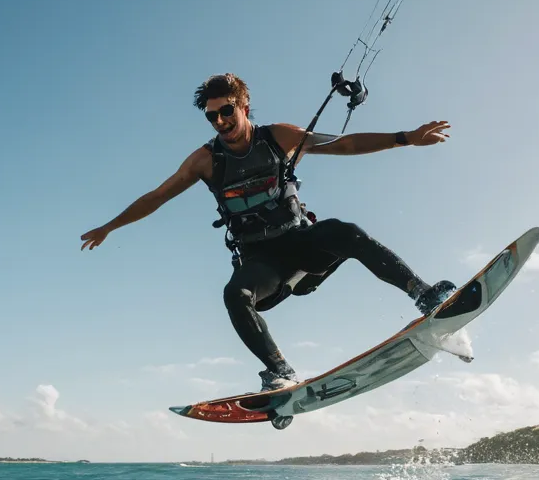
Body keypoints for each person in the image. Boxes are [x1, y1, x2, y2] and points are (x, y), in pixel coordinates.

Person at [80, 73, 455, 392]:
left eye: (227, 111)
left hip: (302, 246)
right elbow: (158, 196)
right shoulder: (205, 161)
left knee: (346, 232)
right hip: (264, 265)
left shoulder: (279, 137)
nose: (220, 121)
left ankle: (424, 295)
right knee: (234, 294)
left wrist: (405, 138)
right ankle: (280, 373)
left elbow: (345, 144)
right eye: (212, 116)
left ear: (244, 107)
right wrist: (110, 226)